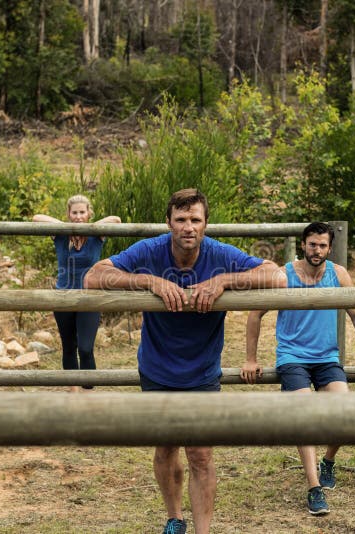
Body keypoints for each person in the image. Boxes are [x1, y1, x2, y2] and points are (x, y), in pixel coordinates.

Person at [83, 188, 285, 534]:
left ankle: (203, 531)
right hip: (158, 367)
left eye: (195, 219)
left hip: (202, 370)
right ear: (168, 223)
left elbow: (277, 276)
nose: (188, 227)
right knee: (165, 447)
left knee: (201, 454)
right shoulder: (150, 251)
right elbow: (93, 277)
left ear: (206, 224)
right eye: (180, 220)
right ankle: (174, 519)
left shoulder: (220, 255)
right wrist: (151, 282)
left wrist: (224, 281)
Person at [241, 221, 355, 516]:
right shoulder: (284, 275)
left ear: (329, 248)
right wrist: (250, 359)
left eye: (323, 246)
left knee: (343, 413)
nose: (317, 250)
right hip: (292, 357)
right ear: (303, 245)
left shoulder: (338, 274)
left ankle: (328, 462)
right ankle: (314, 488)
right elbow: (255, 314)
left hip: (326, 357)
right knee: (305, 413)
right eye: (312, 245)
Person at [33, 195, 121, 393]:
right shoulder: (60, 235)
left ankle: (88, 393)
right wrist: (68, 228)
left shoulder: (97, 235)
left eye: (83, 212)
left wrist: (87, 229)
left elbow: (116, 220)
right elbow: (37, 218)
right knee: (69, 345)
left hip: (90, 298)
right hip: (62, 297)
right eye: (75, 213)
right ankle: (73, 392)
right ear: (68, 214)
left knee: (86, 348)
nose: (79, 216)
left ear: (89, 213)